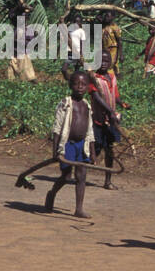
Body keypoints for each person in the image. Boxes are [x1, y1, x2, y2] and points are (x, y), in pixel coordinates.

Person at [46, 70, 93, 218]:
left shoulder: (87, 105)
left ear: (88, 87)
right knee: (66, 176)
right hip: (68, 145)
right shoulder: (65, 103)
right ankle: (52, 193)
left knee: (81, 176)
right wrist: (56, 151)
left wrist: (92, 151)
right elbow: (57, 128)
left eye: (83, 84)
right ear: (70, 85)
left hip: (81, 145)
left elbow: (90, 130)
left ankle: (79, 209)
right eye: (76, 84)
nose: (80, 87)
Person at [87, 51, 123, 191]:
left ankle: (108, 181)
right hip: (98, 121)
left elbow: (115, 95)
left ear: (110, 63)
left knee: (110, 150)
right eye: (100, 60)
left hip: (111, 120)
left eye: (106, 60)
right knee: (93, 149)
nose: (103, 63)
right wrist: (109, 111)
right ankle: (79, 173)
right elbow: (96, 97)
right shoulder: (93, 78)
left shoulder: (112, 77)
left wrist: (122, 103)